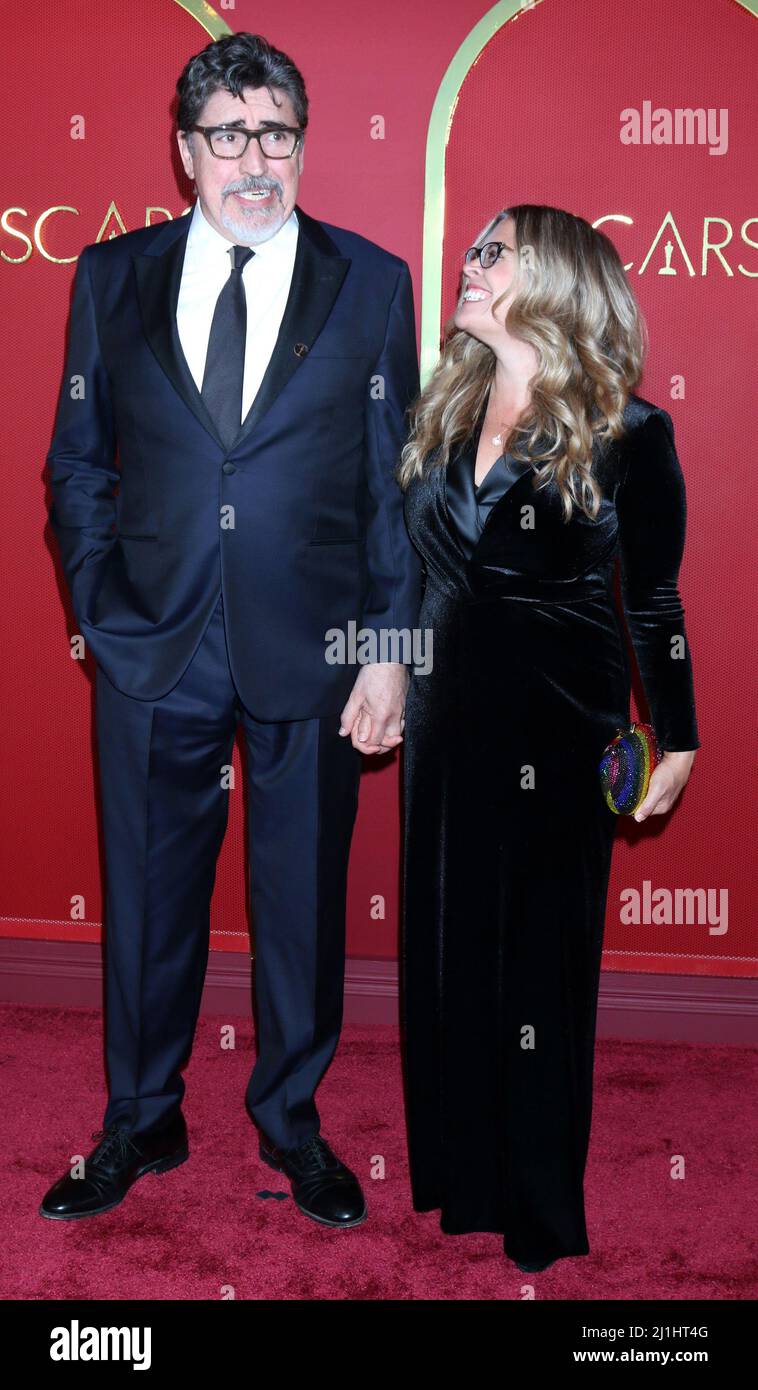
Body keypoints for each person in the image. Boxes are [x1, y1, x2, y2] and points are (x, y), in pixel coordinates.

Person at [41, 31, 420, 1227]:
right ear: (184, 149)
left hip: (312, 649)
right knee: (147, 901)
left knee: (304, 905)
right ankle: (138, 1122)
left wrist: (390, 656)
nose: (253, 160)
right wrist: (99, 608)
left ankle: (292, 1128)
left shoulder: (371, 281)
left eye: (274, 135)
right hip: (154, 644)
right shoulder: (112, 276)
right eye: (228, 134)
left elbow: (392, 489)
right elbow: (76, 465)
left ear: (301, 146)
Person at [397, 205, 699, 1273]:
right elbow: (413, 569)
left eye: (491, 253)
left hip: (555, 720)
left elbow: (651, 599)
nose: (467, 266)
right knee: (444, 947)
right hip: (444, 717)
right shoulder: (447, 404)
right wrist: (384, 665)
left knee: (535, 962)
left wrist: (675, 734)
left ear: (553, 283)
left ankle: (535, 1201)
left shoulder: (628, 430)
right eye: (471, 249)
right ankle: (462, 1176)